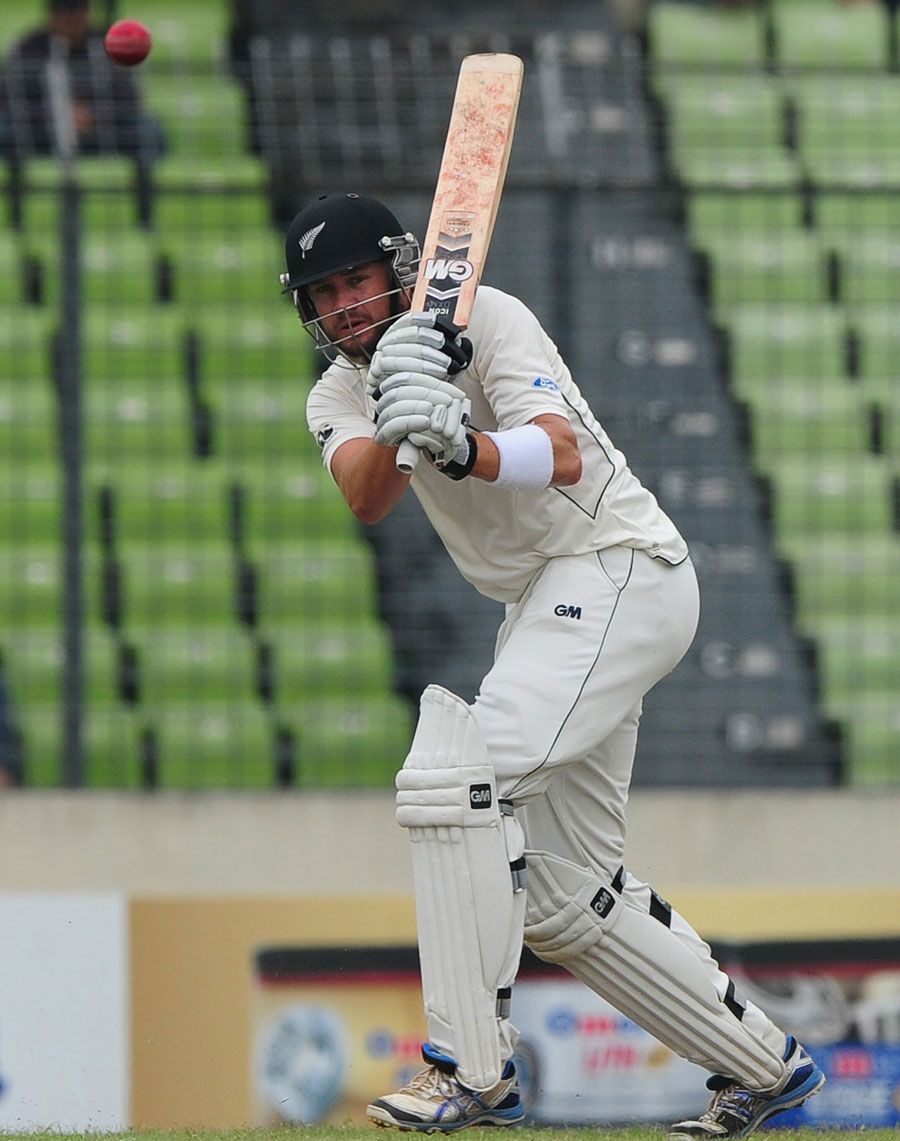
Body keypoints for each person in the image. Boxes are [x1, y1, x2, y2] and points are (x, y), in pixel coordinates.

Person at [281, 192, 826, 1138]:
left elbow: (562, 454)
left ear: (403, 272)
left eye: (358, 282)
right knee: (567, 891)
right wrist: (406, 413)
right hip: (543, 605)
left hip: (619, 564)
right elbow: (367, 495)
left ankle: (470, 1071)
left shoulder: (488, 317)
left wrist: (466, 445)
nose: (345, 307)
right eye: (325, 294)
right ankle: (763, 1068)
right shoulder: (335, 393)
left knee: (458, 776)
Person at [0, 0, 165, 160]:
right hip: (40, 128)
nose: (71, 19)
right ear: (51, 15)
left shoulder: (109, 44)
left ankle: (144, 186)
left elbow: (130, 98)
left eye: (78, 11)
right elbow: (8, 98)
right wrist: (56, 114)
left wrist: (92, 115)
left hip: (102, 128)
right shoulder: (29, 47)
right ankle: (15, 186)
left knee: (149, 131)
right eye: (64, 12)